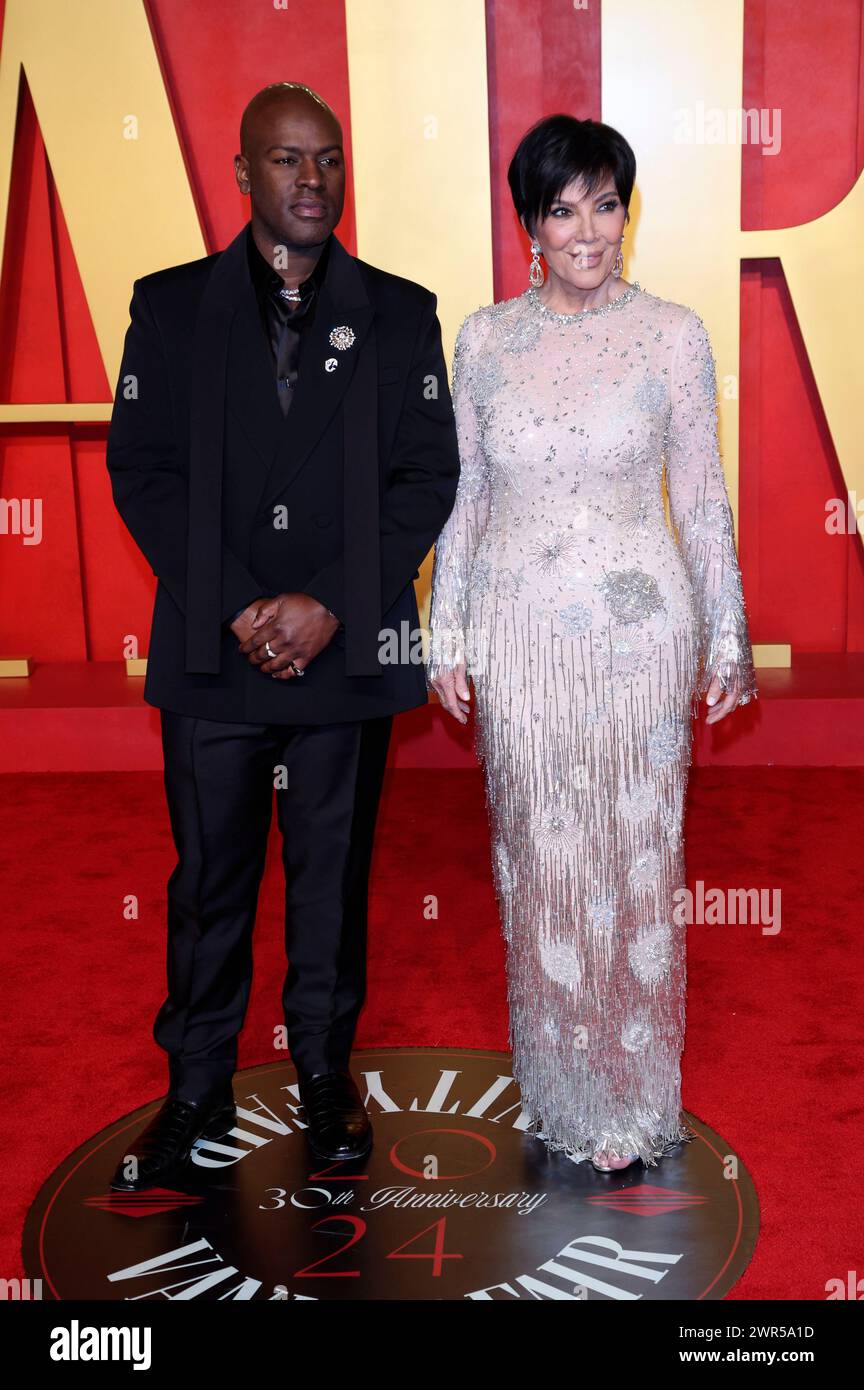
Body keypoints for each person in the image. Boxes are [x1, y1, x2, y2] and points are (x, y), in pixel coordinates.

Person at [106, 82, 459, 1190]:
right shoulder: (167, 308)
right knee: (209, 884)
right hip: (216, 651)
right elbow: (143, 472)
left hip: (342, 656)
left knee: (330, 883)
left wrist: (332, 603)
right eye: (287, 160)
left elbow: (426, 476)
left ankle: (323, 1080)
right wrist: (237, 605)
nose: (312, 180)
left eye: (329, 159)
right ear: (244, 174)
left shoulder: (401, 312)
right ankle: (196, 1090)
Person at [427, 114, 757, 1173]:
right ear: (529, 222)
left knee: (636, 853)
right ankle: (564, 1083)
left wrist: (730, 627)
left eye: (605, 204)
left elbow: (701, 496)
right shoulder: (482, 340)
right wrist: (446, 625)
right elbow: (467, 495)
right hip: (522, 638)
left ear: (628, 211)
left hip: (637, 632)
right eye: (562, 208)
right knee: (542, 857)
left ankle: (635, 1088)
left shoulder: (673, 333)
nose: (587, 230)